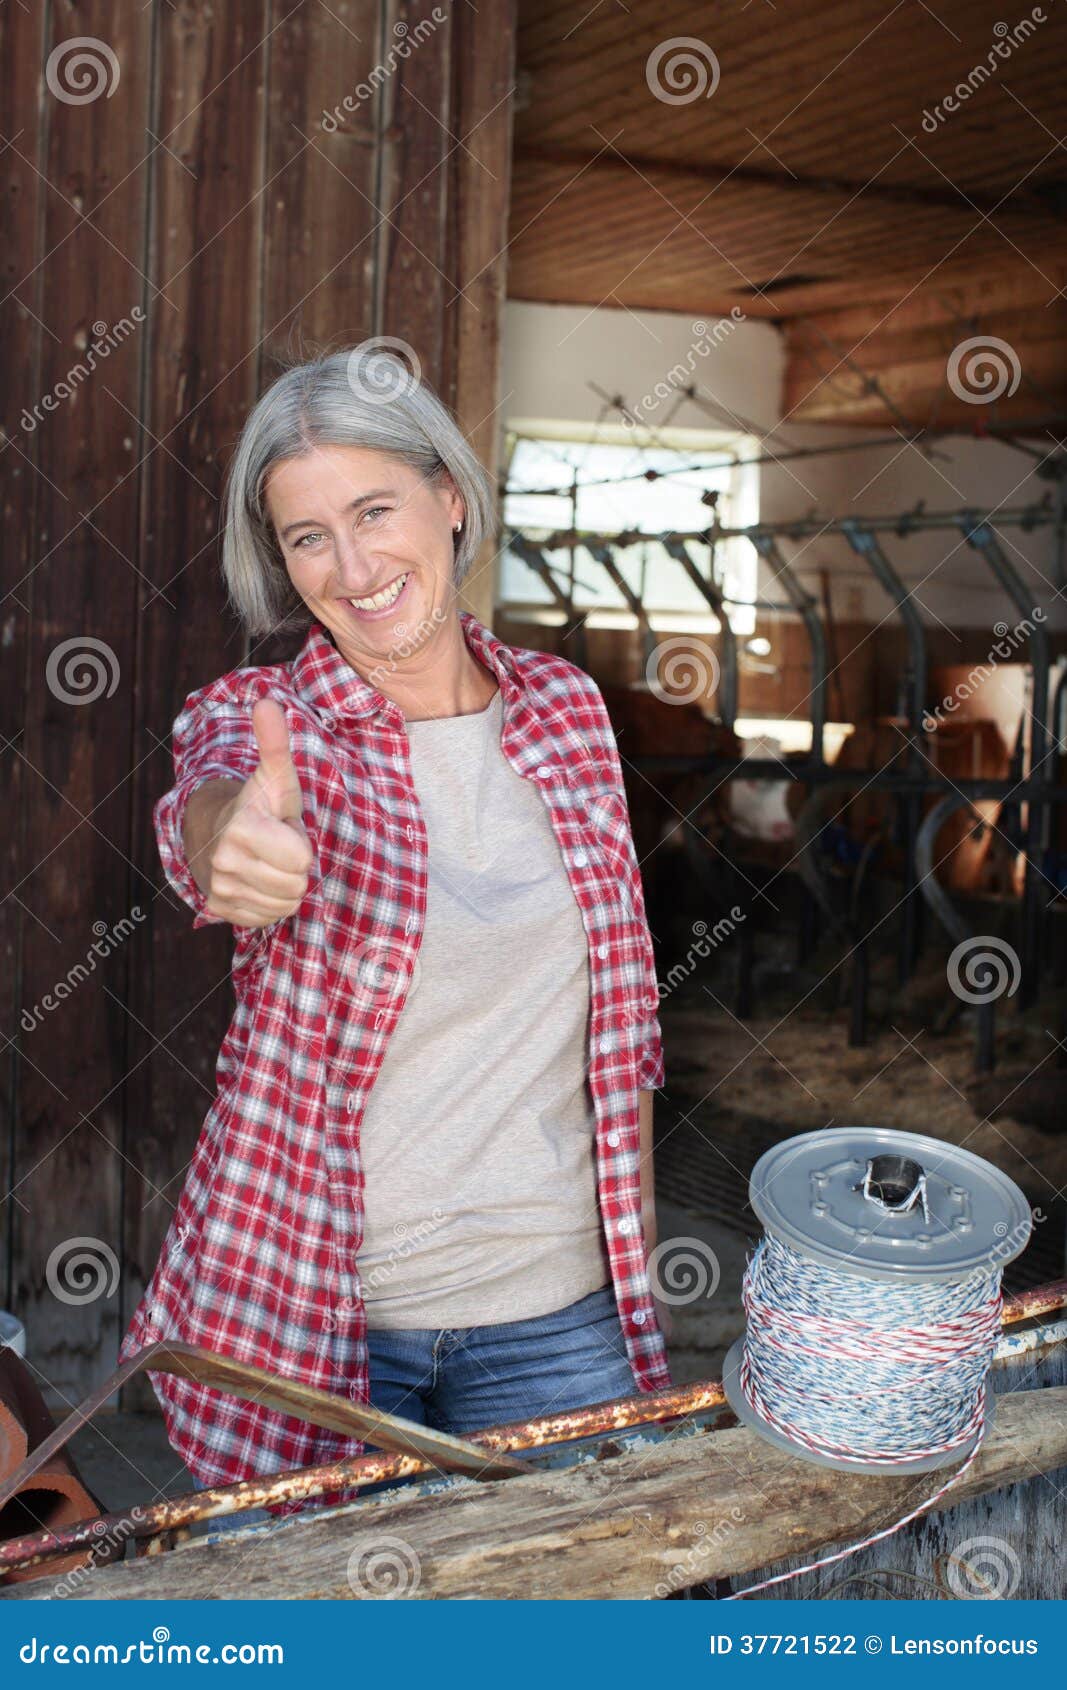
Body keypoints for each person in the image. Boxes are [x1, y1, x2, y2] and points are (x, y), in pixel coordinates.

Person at [118, 344, 671, 1523]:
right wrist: (230, 846)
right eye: (308, 535)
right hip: (323, 1318)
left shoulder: (568, 712)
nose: (354, 566)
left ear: (451, 498)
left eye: (375, 509)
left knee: (597, 1622)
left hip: (555, 1305)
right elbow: (208, 813)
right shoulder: (266, 723)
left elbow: (617, 1027)